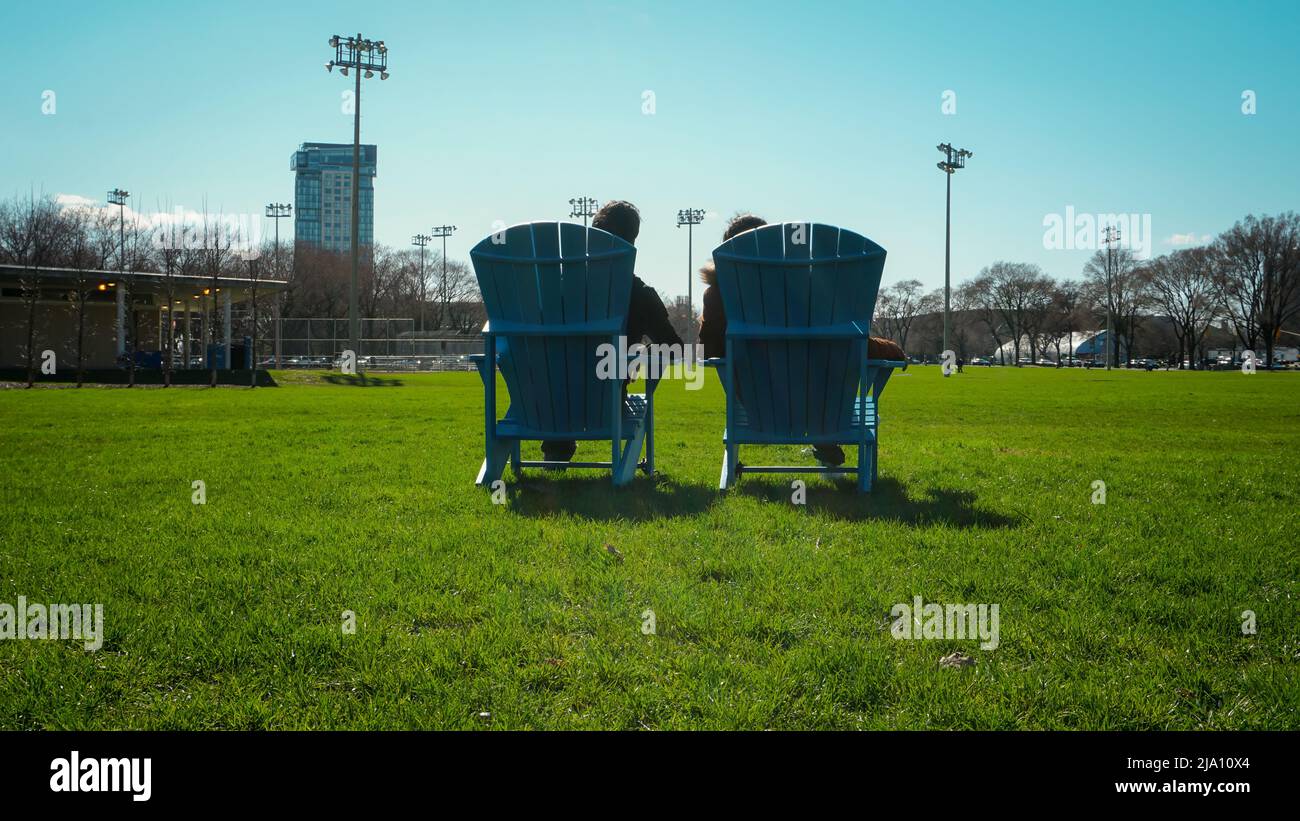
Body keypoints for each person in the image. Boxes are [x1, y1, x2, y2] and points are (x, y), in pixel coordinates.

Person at [697, 213, 907, 469]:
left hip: (761, 407)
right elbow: (845, 341)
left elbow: (709, 350)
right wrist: (889, 348)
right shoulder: (805, 285)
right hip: (823, 406)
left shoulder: (717, 295)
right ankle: (825, 439)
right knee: (814, 369)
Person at [542, 200, 682, 464]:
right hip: (606, 407)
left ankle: (557, 448)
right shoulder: (640, 294)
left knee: (563, 370)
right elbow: (674, 348)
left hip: (548, 405)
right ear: (632, 244)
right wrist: (642, 353)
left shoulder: (557, 287)